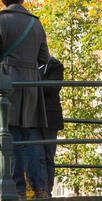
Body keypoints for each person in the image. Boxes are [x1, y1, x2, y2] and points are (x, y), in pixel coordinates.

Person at [0, 0, 50, 197]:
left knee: (10, 133)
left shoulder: (0, 19)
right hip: (31, 84)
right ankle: (40, 187)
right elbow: (44, 58)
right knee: (30, 134)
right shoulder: (36, 23)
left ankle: (18, 189)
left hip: (7, 83)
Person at [40, 55, 65, 193]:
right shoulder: (31, 66)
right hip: (34, 116)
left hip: (50, 116)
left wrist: (34, 85)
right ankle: (39, 188)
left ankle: (46, 190)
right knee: (37, 155)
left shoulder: (55, 65)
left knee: (48, 155)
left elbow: (53, 88)